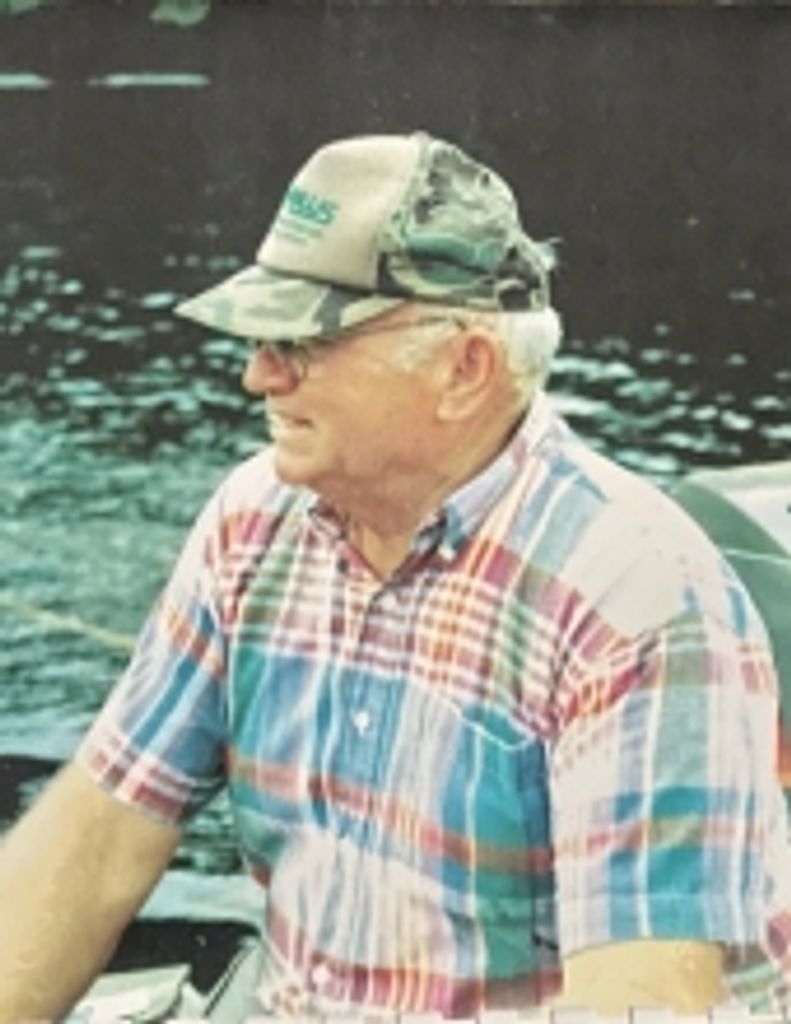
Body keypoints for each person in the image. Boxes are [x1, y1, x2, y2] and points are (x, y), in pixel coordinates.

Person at [0, 131, 789, 1022]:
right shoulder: (252, 521)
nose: (257, 375)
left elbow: (639, 1005)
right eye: (261, 338)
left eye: (300, 341)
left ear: (464, 369)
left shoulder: (638, 600)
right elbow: (100, 837)